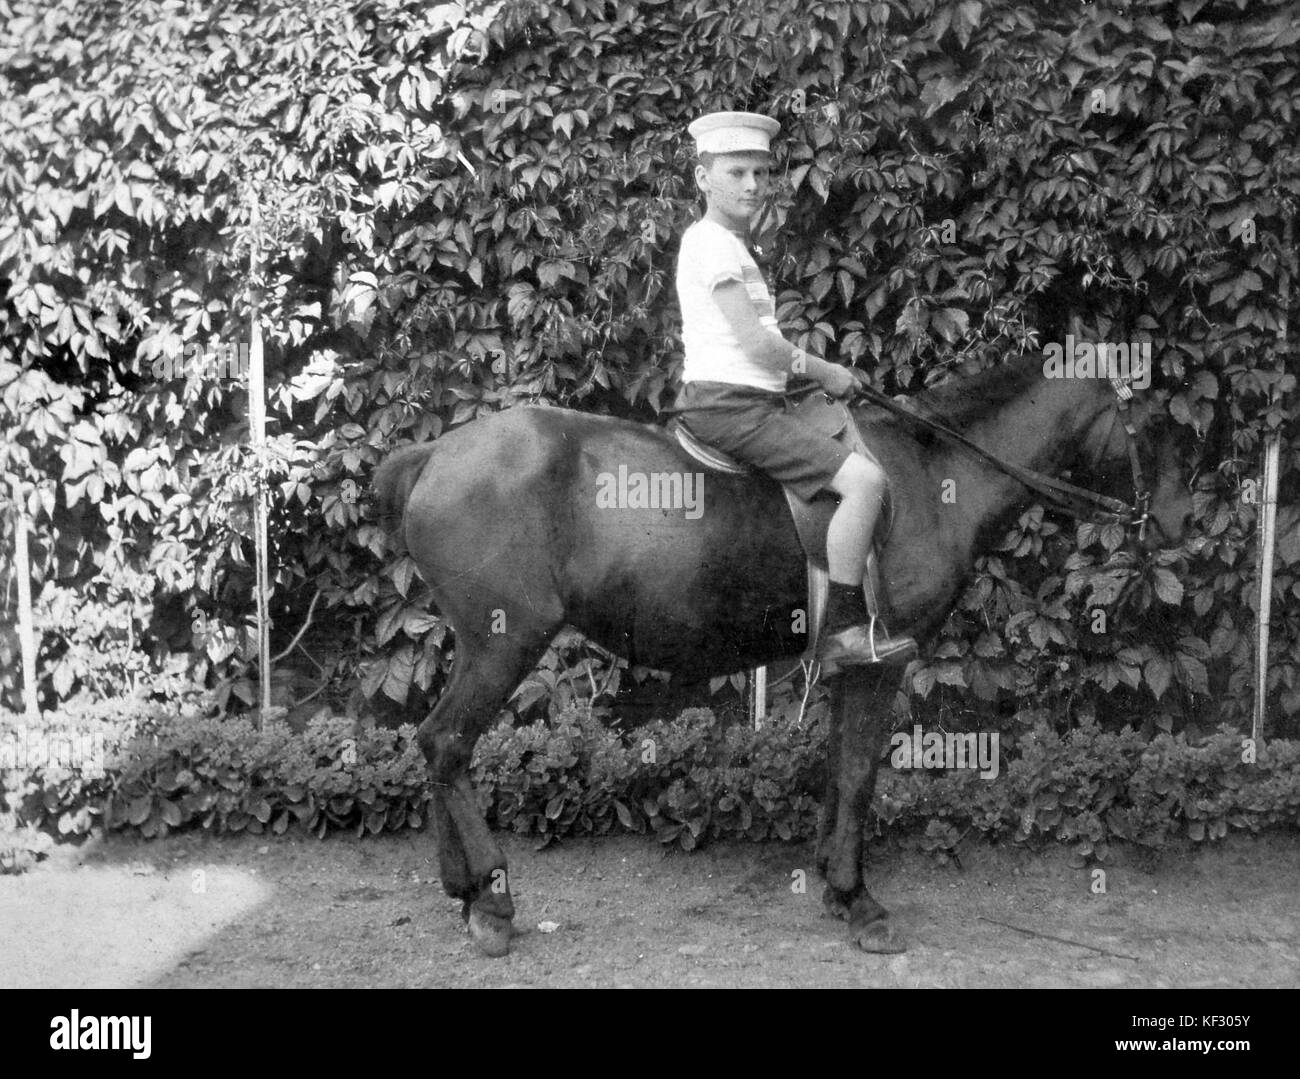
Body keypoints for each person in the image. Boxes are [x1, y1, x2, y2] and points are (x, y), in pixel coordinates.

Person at [673, 110, 916, 668]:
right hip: (731, 409)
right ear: (703, 177)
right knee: (865, 481)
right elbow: (758, 347)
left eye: (761, 173)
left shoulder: (730, 245)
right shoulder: (712, 245)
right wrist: (827, 372)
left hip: (751, 402)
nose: (752, 185)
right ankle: (844, 632)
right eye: (736, 173)